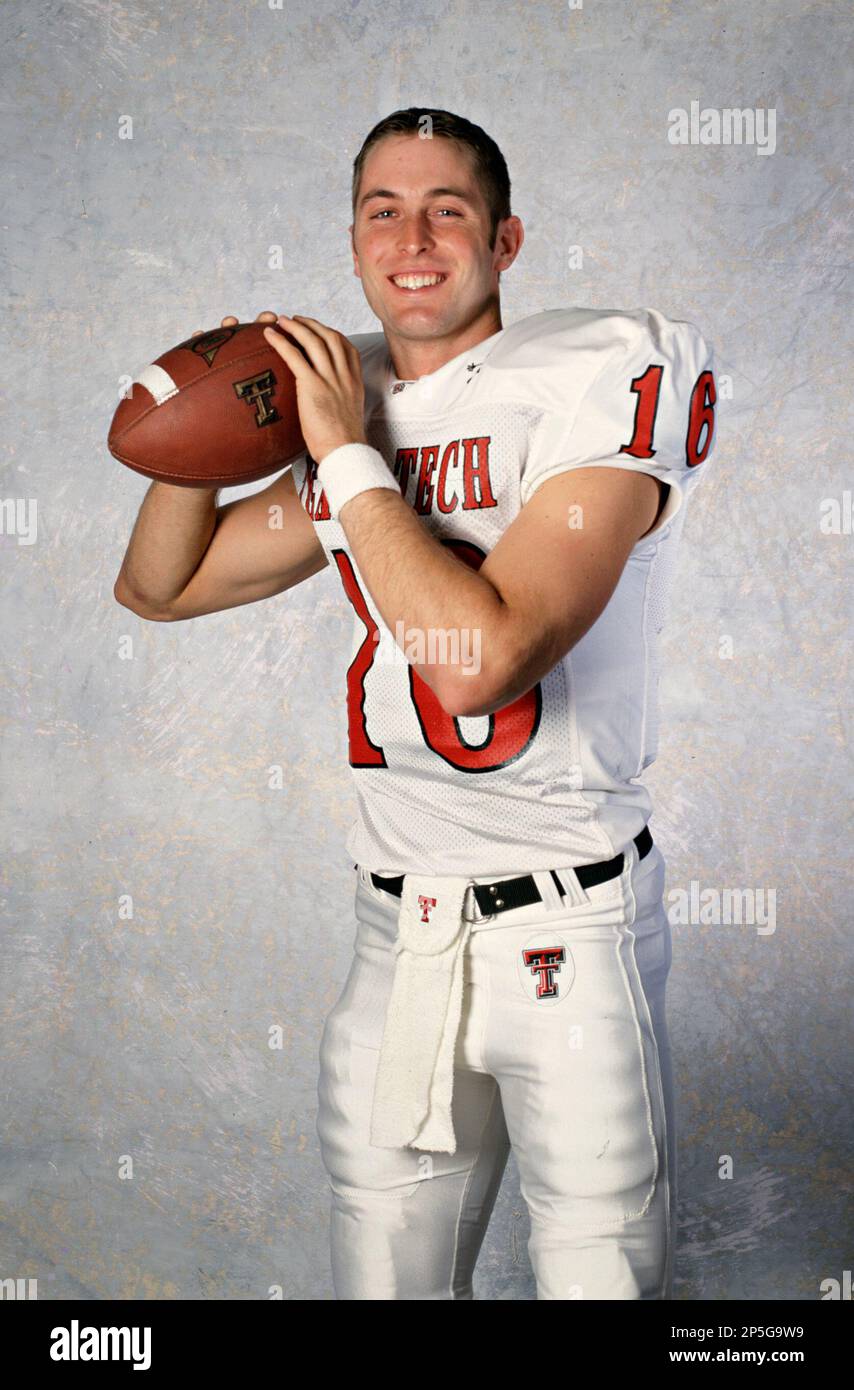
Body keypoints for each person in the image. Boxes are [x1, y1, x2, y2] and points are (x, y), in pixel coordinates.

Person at [114, 106, 717, 1301]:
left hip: (569, 930)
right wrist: (206, 427)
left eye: (448, 208)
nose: (415, 236)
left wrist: (338, 453)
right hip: (398, 935)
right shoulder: (364, 400)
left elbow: (480, 660)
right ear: (352, 243)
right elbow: (159, 586)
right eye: (383, 210)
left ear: (505, 239)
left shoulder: (592, 374)